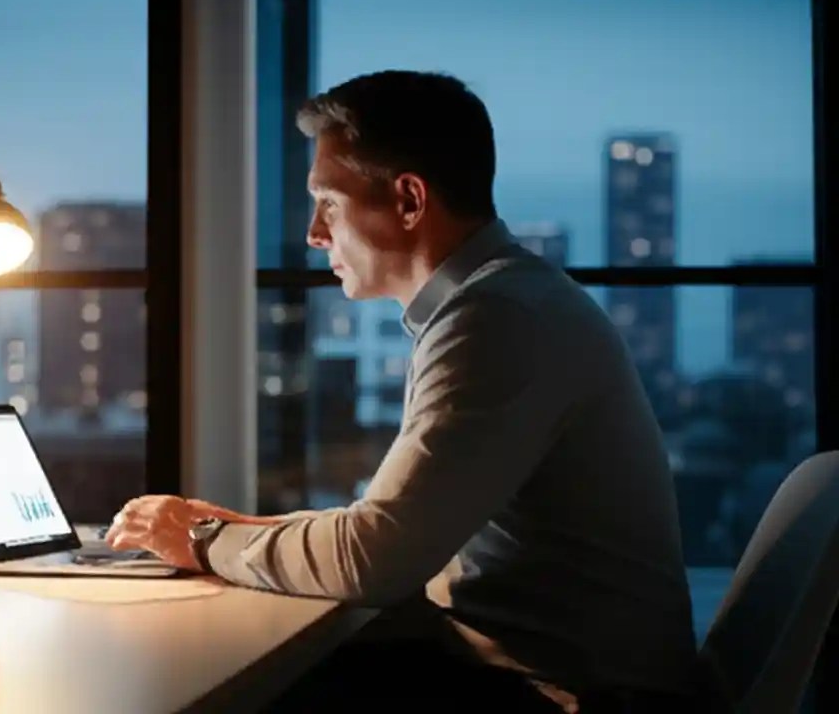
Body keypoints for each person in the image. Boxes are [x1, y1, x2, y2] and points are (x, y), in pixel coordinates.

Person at [106, 70, 703, 712]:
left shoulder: (496, 319)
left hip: (577, 697)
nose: (314, 233)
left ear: (410, 200)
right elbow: (401, 525)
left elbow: (376, 556)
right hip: (534, 673)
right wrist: (233, 531)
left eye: (329, 203)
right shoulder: (501, 302)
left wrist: (202, 541)